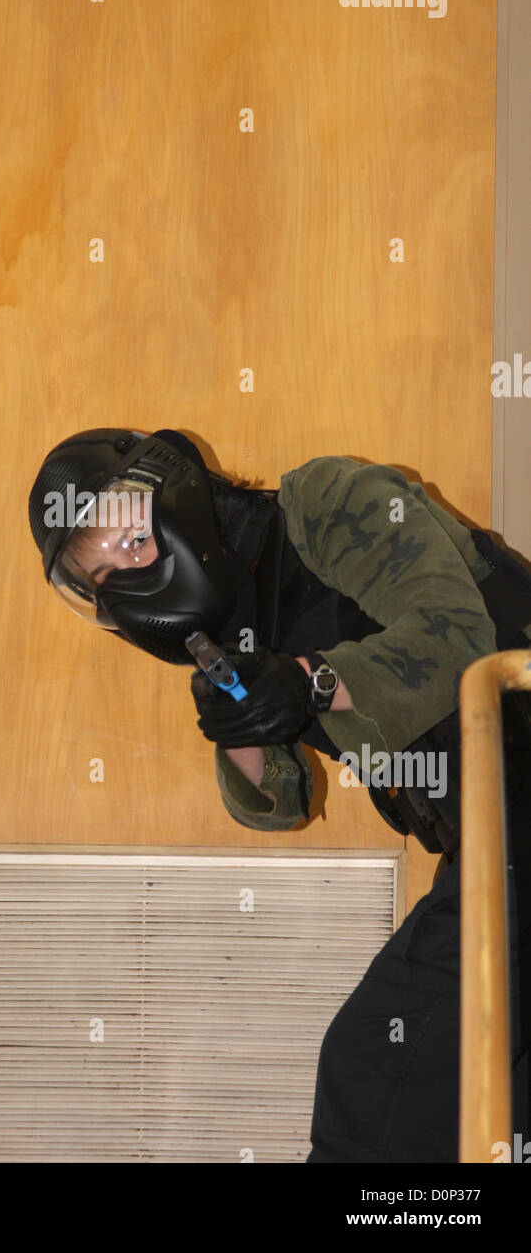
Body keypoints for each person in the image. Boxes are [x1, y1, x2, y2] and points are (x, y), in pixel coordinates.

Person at [28, 426, 531, 1162]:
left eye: (132, 547)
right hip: (490, 839)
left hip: (513, 822)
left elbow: (457, 637)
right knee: (490, 1119)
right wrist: (235, 716)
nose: (131, 583)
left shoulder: (323, 502)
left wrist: (312, 681)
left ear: (179, 497)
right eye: (105, 582)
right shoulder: (234, 641)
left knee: (376, 1071)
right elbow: (281, 804)